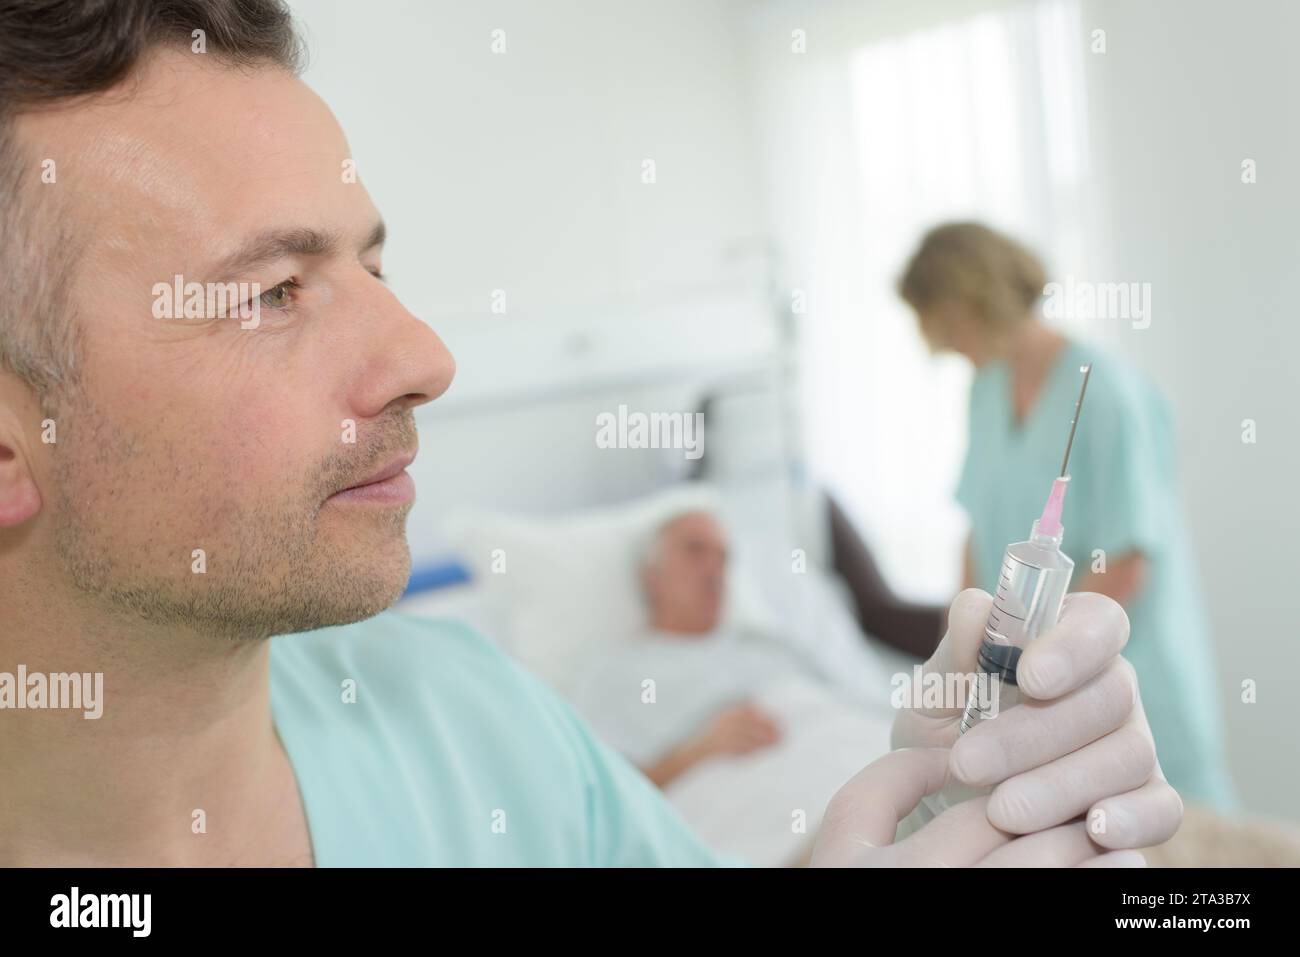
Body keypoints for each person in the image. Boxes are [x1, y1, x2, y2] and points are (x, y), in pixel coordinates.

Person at [0, 0, 1179, 867]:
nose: (427, 359)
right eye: (271, 293)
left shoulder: (474, 724)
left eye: (373, 263)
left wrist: (931, 824)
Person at [897, 221, 1236, 810]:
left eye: (943, 326)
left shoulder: (1106, 394)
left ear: (968, 301)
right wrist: (965, 651)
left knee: (1175, 842)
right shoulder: (986, 388)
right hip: (1023, 681)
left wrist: (1041, 668)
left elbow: (1126, 561)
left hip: (1124, 666)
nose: (942, 345)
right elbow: (976, 525)